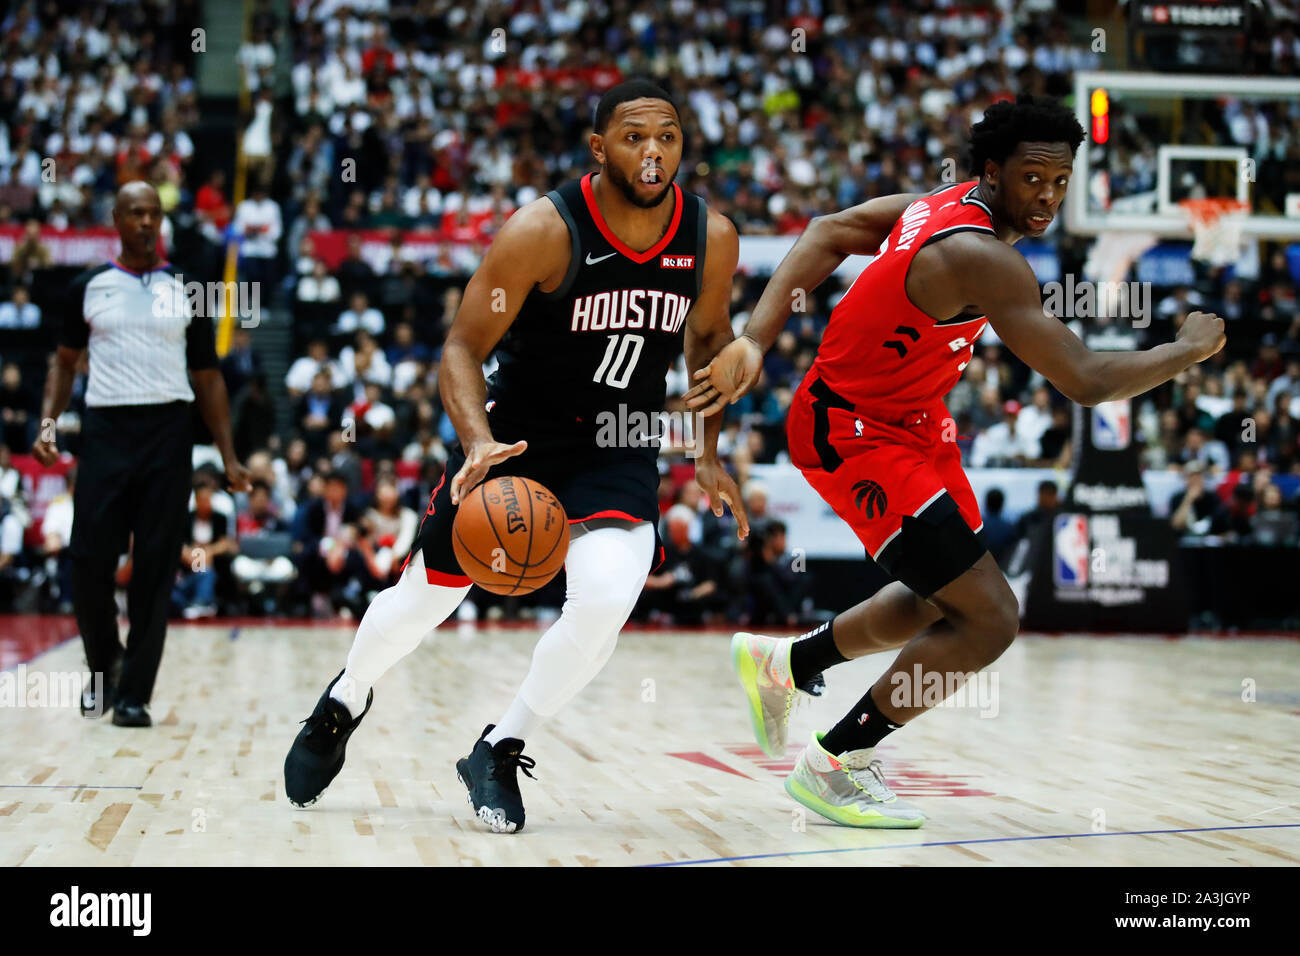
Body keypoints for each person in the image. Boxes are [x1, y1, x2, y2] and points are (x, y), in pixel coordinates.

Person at [689, 94, 1226, 828]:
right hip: (849, 430)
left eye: (1061, 181)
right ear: (993, 172)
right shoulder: (980, 255)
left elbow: (832, 229)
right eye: (1033, 179)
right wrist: (1187, 350)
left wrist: (759, 333)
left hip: (915, 426)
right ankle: (837, 762)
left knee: (947, 601)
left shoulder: (940, 203)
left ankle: (790, 665)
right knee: (992, 618)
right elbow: (1085, 380)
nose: (1048, 197)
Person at [283, 80, 747, 832]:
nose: (654, 150)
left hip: (619, 441)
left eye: (667, 135)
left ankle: (499, 746)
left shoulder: (710, 237)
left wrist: (711, 453)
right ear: (599, 149)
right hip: (520, 436)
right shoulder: (545, 230)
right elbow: (463, 348)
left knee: (604, 599)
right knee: (421, 605)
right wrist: (476, 442)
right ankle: (345, 699)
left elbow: (709, 343)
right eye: (634, 136)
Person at [32, 181, 250, 727]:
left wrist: (228, 455)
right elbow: (62, 361)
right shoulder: (88, 285)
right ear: (116, 219)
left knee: (154, 567)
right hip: (106, 430)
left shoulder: (187, 288)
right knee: (87, 561)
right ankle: (104, 664)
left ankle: (134, 695)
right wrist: (48, 423)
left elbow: (207, 375)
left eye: (154, 213)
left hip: (168, 432)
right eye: (135, 213)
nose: (147, 222)